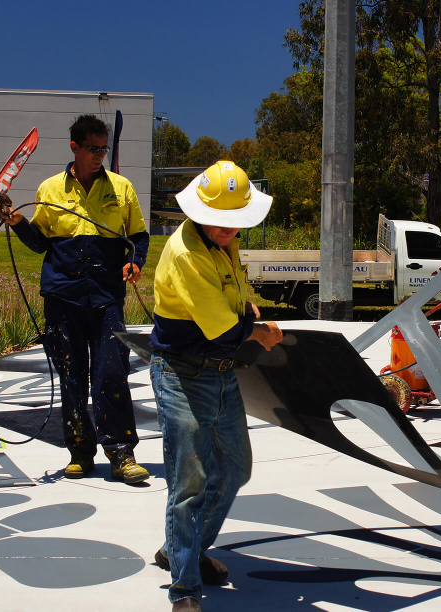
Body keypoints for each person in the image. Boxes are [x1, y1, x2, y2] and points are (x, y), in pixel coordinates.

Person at [149, 161, 284, 612]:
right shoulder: (186, 253)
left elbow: (232, 295)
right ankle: (185, 589)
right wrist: (256, 332)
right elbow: (221, 331)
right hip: (183, 373)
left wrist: (248, 306)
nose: (229, 229)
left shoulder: (221, 242)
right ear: (198, 213)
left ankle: (179, 550)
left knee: (235, 470)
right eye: (221, 221)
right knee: (190, 482)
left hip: (220, 372)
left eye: (236, 222)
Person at [0, 114, 150, 484]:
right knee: (71, 374)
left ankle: (121, 454)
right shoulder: (49, 189)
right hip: (62, 296)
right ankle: (80, 451)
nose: (99, 155)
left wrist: (135, 261)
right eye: (92, 149)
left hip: (106, 296)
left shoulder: (121, 188)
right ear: (75, 148)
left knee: (112, 372)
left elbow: (140, 236)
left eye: (103, 149)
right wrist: (17, 222)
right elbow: (40, 245)